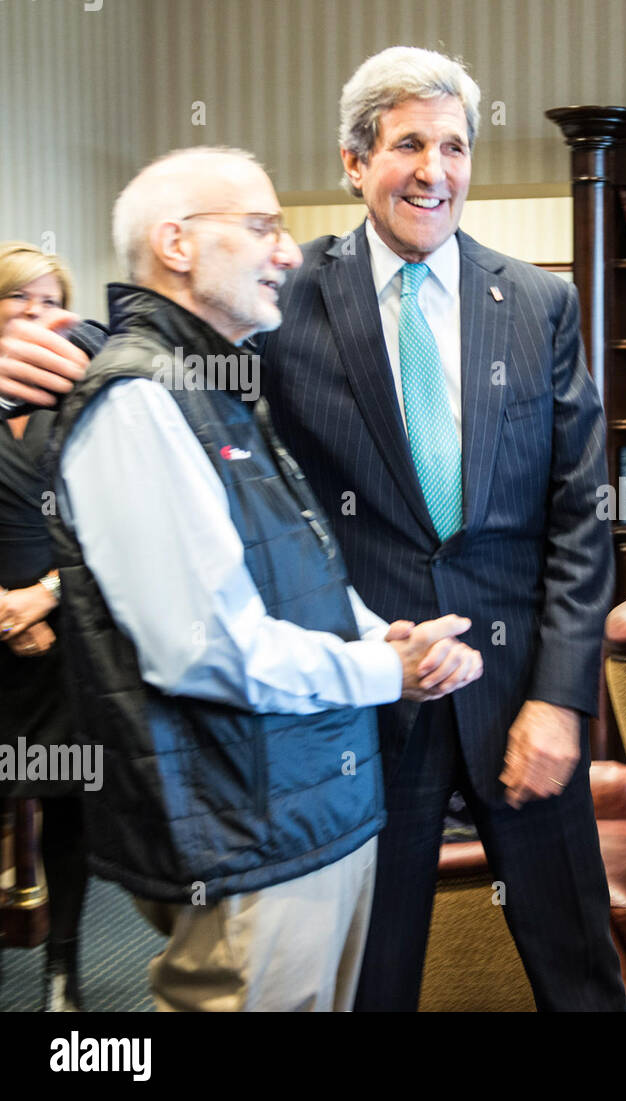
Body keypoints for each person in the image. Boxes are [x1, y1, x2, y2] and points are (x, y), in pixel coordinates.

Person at [1, 46, 625, 1011]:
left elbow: (581, 510)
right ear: (354, 161)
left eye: (455, 146)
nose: (435, 170)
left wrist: (562, 697)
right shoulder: (280, 298)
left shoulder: (539, 302)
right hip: (360, 701)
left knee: (577, 964)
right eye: (408, 144)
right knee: (366, 975)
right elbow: (157, 338)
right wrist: (40, 348)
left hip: (512, 682)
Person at [44, 147, 482, 1012]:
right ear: (175, 243)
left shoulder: (215, 384)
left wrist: (374, 633)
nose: (288, 251)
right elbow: (205, 649)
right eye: (261, 227)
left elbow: (294, 564)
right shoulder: (139, 399)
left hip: (307, 808)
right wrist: (381, 673)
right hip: (246, 830)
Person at [0, 244, 88, 1011]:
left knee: (66, 804)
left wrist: (43, 598)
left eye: (48, 300)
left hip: (65, 640)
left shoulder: (88, 401)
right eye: (18, 300)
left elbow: (119, 525)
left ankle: (63, 972)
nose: (34, 314)